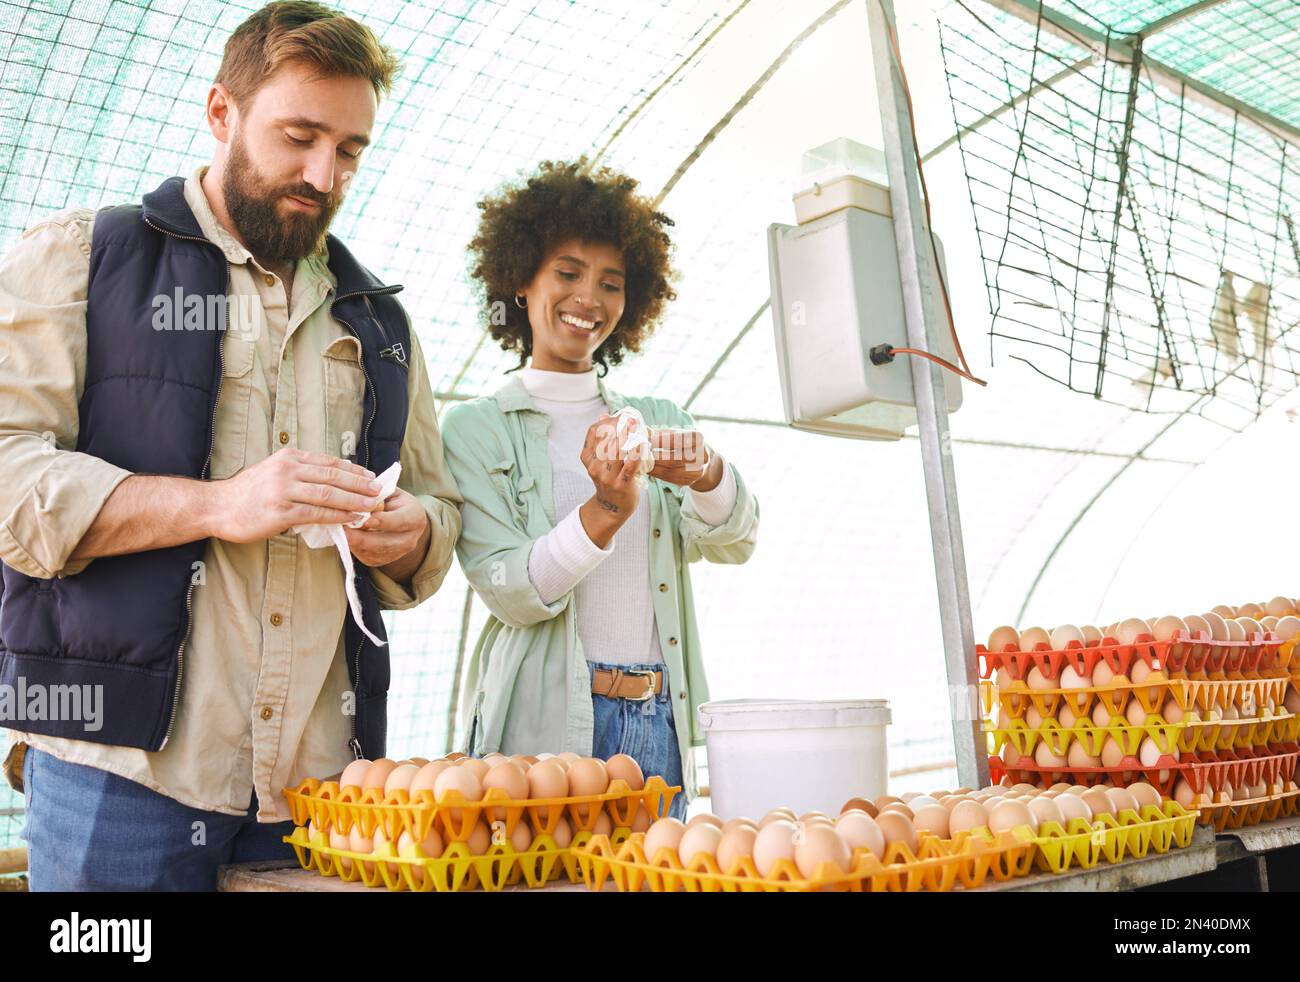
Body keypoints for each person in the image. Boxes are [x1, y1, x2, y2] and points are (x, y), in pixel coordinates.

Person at [0, 1, 462, 890]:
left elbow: (438, 517)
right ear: (221, 113)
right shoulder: (83, 259)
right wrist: (221, 504)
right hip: (124, 776)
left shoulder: (380, 320)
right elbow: (12, 480)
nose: (323, 173)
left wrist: (408, 535)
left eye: (351, 150)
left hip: (319, 794)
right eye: (299, 136)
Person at [441, 159, 759, 821]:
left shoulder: (660, 418)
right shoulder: (475, 429)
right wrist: (604, 511)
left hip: (657, 722)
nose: (589, 299)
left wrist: (707, 475)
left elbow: (736, 539)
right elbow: (511, 588)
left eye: (611, 284)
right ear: (520, 281)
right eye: (567, 273)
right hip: (546, 728)